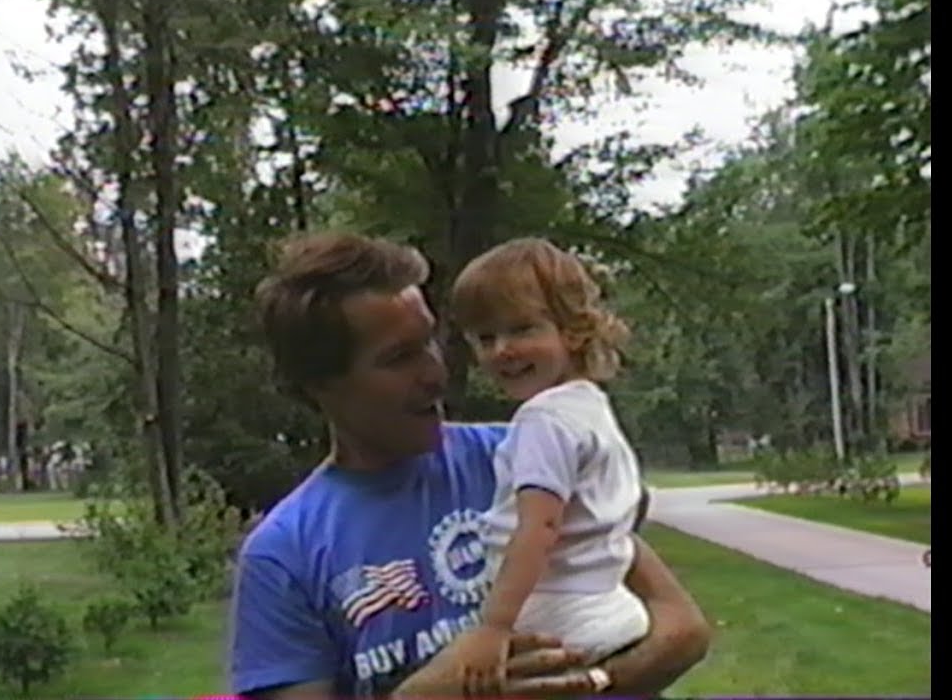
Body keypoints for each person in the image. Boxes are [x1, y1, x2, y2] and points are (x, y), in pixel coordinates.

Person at [228, 232, 711, 699]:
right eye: (399, 358)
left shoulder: (519, 454)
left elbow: (682, 629)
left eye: (430, 342)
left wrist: (592, 682)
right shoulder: (284, 556)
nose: (436, 373)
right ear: (320, 384)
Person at [446, 237, 650, 695]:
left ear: (573, 330)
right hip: (600, 598)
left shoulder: (543, 421)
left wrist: (494, 629)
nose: (503, 350)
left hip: (553, 609)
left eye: (521, 329)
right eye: (486, 337)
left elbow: (538, 528)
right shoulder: (589, 406)